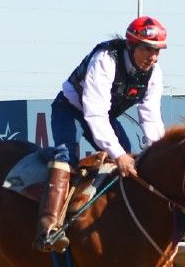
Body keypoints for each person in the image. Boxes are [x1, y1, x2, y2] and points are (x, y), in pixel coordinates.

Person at [34, 16, 168, 252]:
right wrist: (118, 154)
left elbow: (151, 117)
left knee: (128, 163)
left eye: (158, 51)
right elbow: (93, 114)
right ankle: (49, 228)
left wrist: (157, 152)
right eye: (148, 49)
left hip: (104, 117)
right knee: (67, 156)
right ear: (132, 45)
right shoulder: (105, 59)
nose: (153, 57)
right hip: (70, 109)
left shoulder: (154, 73)